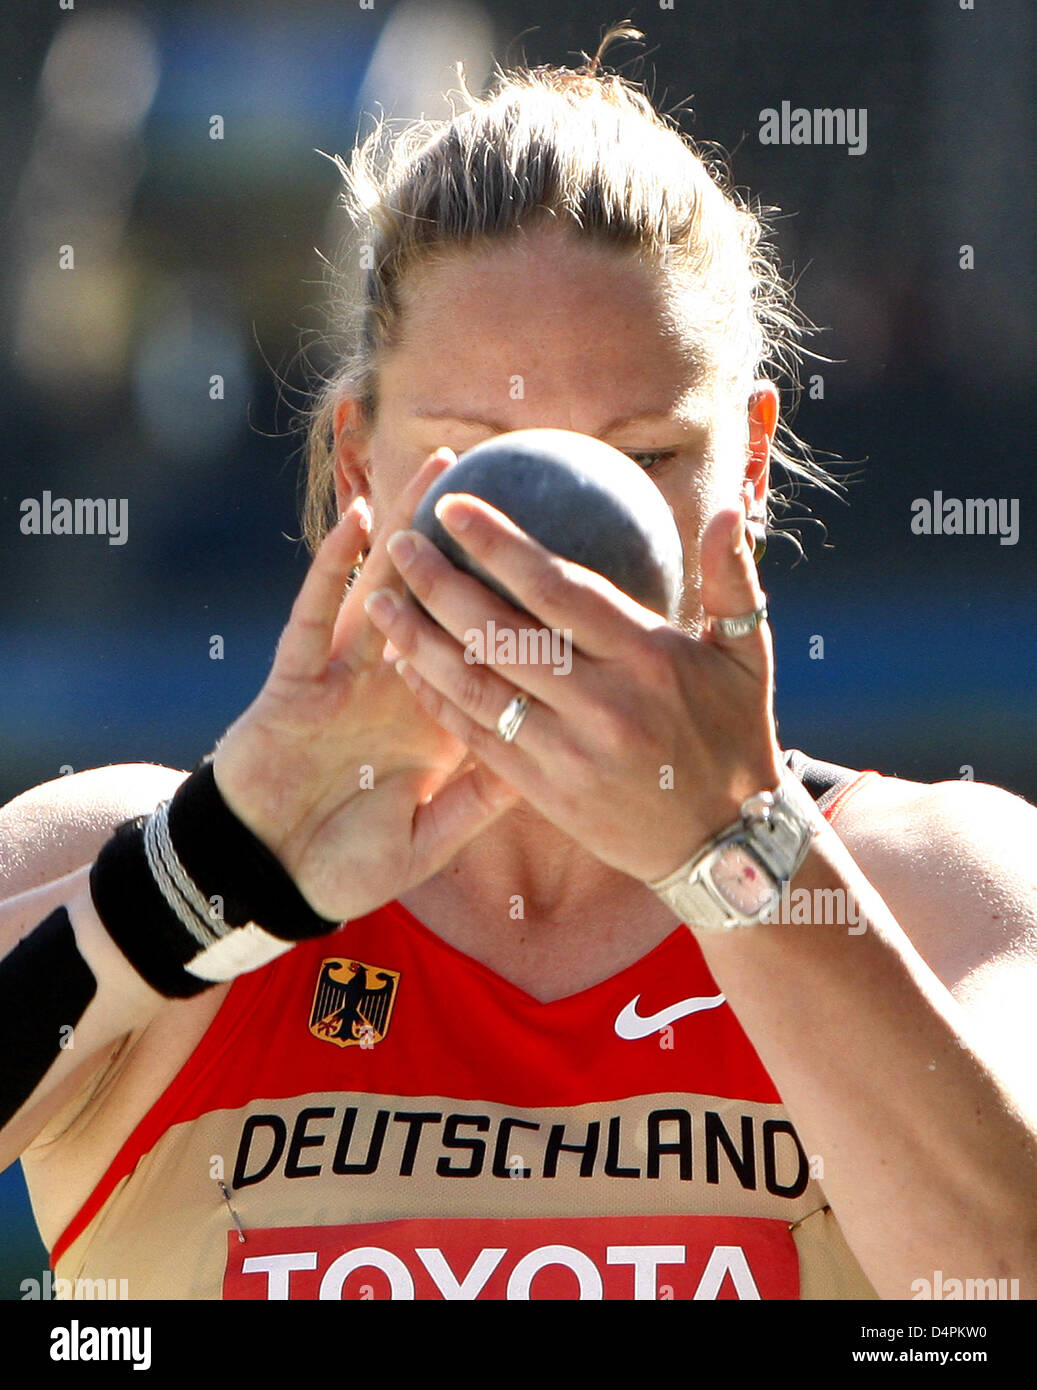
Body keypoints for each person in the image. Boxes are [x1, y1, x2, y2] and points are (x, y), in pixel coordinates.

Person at [1, 25, 1035, 1303]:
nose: (558, 547)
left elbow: (999, 1278)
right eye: (487, 459)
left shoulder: (937, 888)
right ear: (362, 464)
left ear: (751, 470)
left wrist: (736, 857)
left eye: (640, 458)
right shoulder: (129, 861)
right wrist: (212, 866)